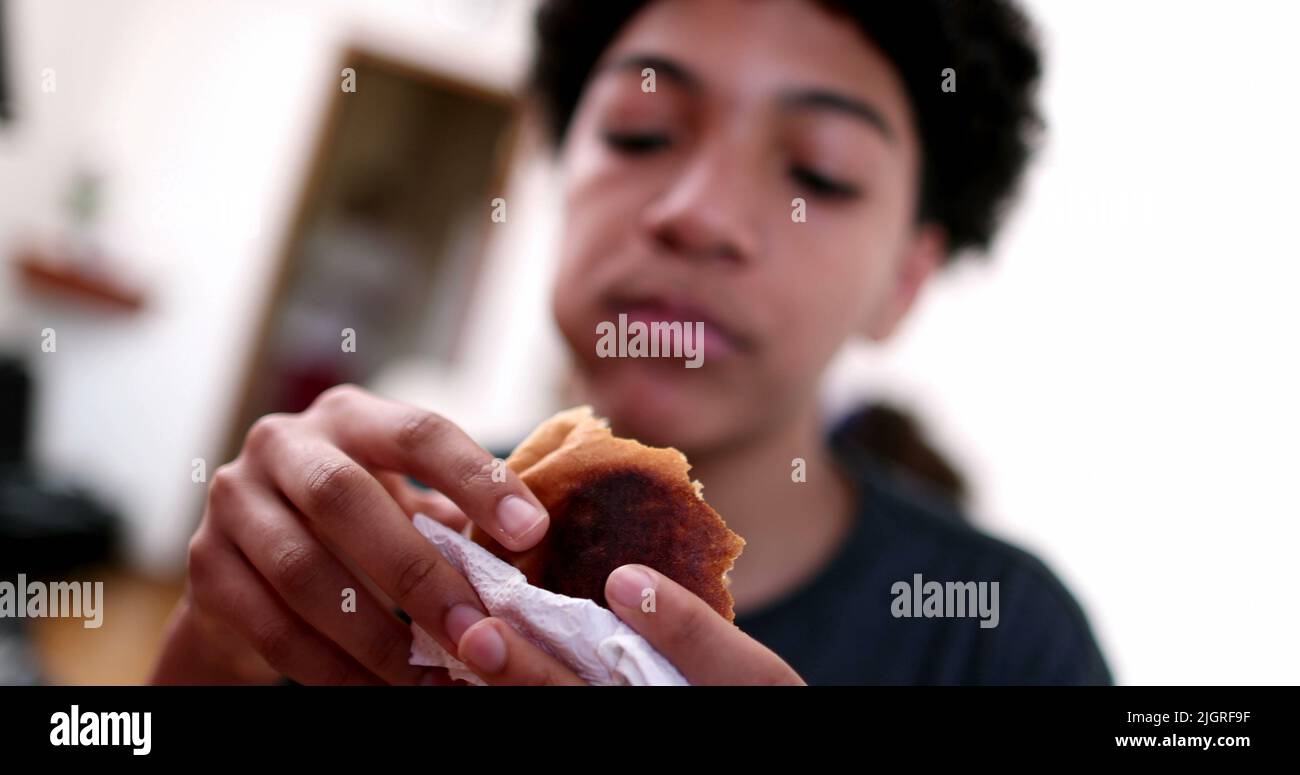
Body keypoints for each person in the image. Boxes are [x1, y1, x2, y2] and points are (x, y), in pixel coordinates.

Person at [152, 0, 1110, 686]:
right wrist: (213, 658)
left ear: (904, 279)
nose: (696, 214)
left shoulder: (1004, 638)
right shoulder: (387, 547)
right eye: (643, 135)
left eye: (818, 172)